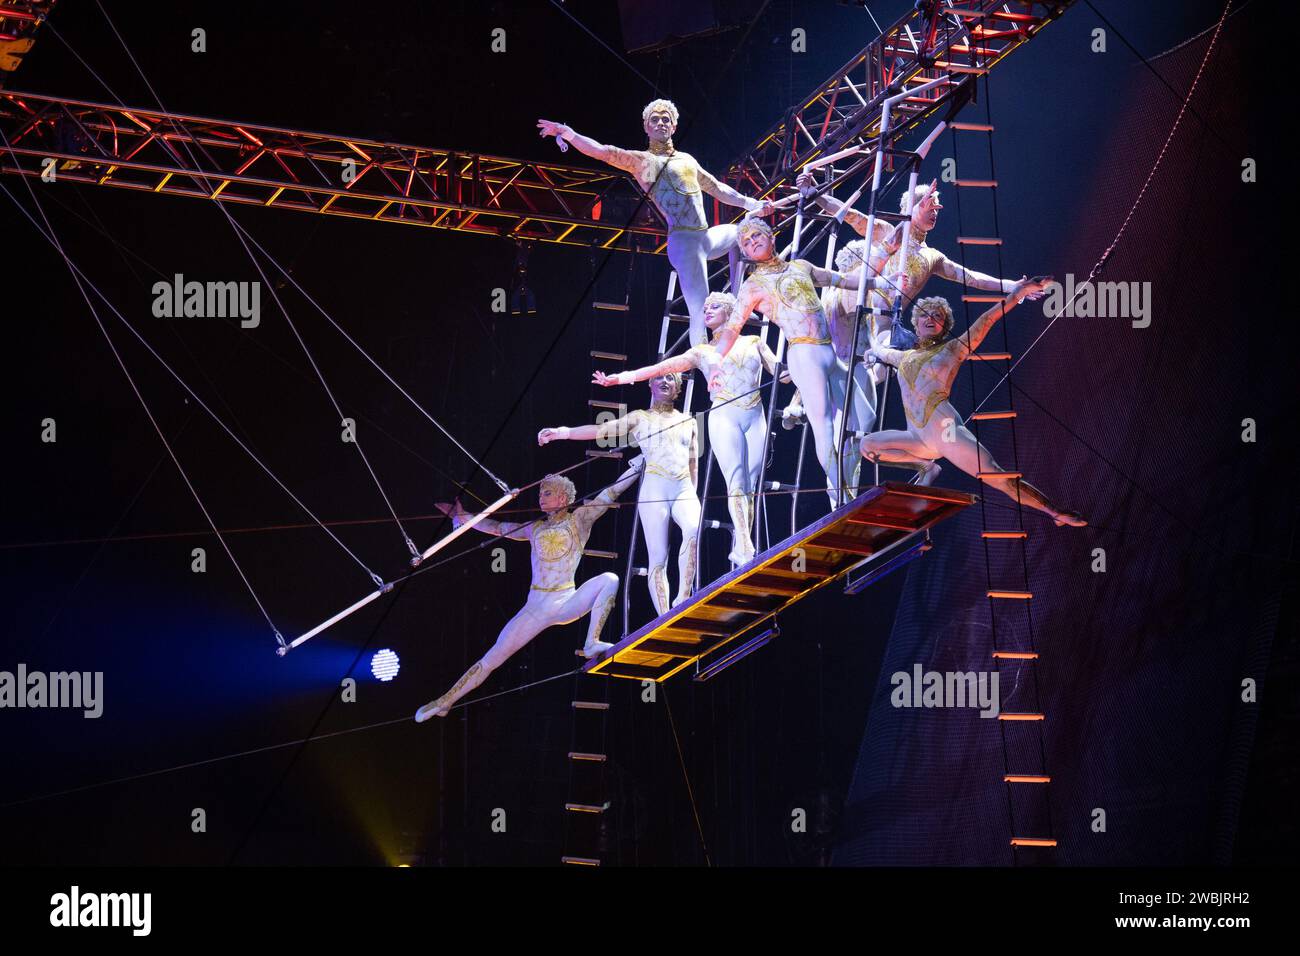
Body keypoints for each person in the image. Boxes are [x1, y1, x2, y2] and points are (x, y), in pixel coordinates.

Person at [415, 463, 644, 721]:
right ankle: (445, 701)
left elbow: (611, 492)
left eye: (547, 493)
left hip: (566, 600)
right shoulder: (533, 528)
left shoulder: (580, 519)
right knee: (493, 656)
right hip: (535, 607)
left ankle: (591, 642)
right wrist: (464, 517)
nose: (540, 497)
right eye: (540, 493)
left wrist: (636, 468)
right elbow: (497, 527)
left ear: (563, 497)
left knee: (609, 579)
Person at [538, 99, 774, 346]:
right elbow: (603, 151)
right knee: (699, 311)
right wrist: (571, 134)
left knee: (740, 234)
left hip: (704, 237)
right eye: (654, 119)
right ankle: (710, 372)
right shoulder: (643, 162)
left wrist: (750, 203)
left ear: (673, 127)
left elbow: (716, 188)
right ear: (646, 127)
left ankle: (738, 303)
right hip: (685, 243)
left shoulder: (687, 160)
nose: (660, 122)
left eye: (666, 119)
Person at [862, 282, 1086, 527]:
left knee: (998, 477)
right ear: (915, 323)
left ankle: (1054, 512)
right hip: (917, 438)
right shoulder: (902, 357)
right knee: (868, 446)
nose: (930, 319)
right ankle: (927, 467)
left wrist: (1018, 293)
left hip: (945, 431)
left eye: (937, 316)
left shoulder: (953, 348)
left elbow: (987, 319)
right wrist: (870, 339)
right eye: (925, 314)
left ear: (943, 326)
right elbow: (877, 347)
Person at [713, 216, 898, 506]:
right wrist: (714, 361)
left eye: (756, 236)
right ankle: (842, 496)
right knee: (822, 424)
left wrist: (880, 280)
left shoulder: (801, 266)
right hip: (803, 353)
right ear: (746, 253)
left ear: (771, 236)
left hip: (828, 353)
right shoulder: (753, 286)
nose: (752, 242)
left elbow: (841, 280)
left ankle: (843, 483)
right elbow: (732, 329)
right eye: (746, 242)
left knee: (865, 417)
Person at [593, 291, 788, 565]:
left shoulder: (755, 342)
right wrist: (622, 378)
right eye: (705, 306)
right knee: (735, 480)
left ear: (731, 312)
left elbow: (782, 374)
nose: (706, 310)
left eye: (714, 306)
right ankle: (745, 545)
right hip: (724, 415)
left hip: (756, 414)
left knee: (750, 486)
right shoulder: (702, 352)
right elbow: (661, 367)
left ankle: (743, 543)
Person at [539, 373, 700, 615]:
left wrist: (695, 495)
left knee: (693, 529)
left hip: (683, 487)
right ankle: (665, 614)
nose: (664, 382)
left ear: (678, 386)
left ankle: (683, 598)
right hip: (654, 489)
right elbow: (602, 429)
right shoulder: (639, 417)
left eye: (670, 378)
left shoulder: (690, 421)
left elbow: (693, 463)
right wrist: (563, 432)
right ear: (650, 384)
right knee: (658, 556)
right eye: (659, 378)